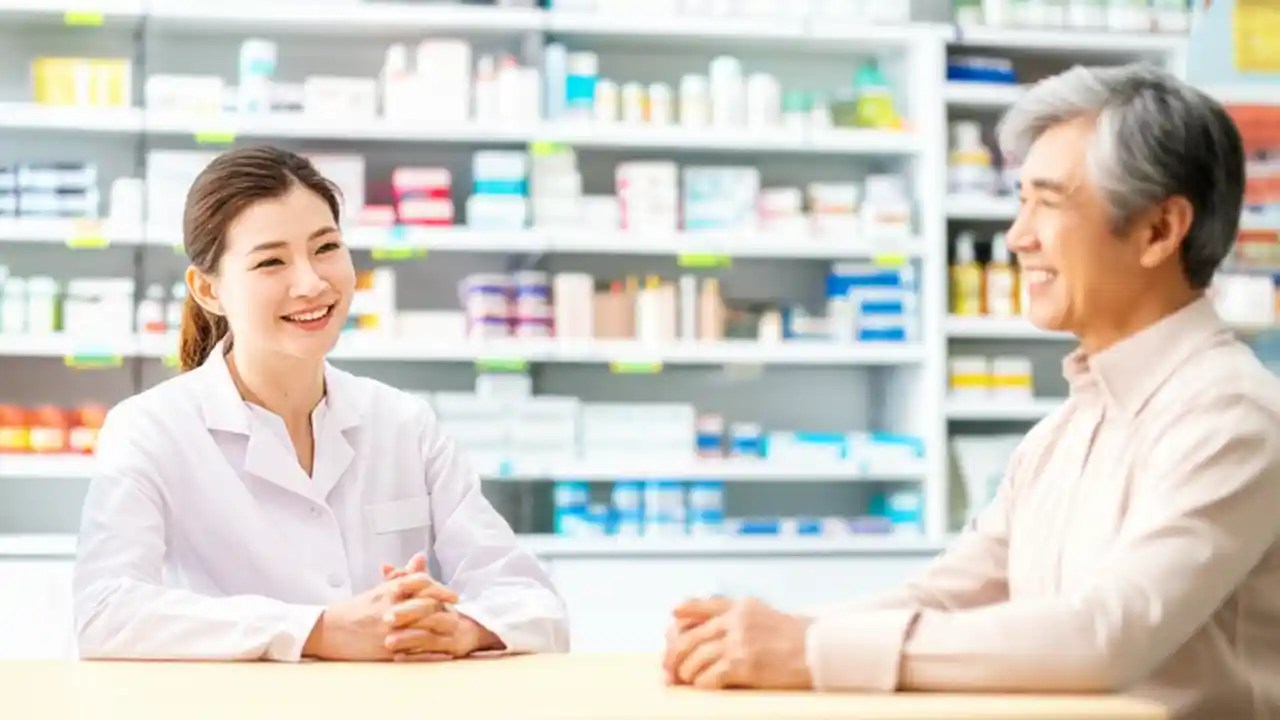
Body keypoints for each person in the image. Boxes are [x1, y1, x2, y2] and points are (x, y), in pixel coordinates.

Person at [662, 63, 1280, 719]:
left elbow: (1106, 635)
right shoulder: (1063, 435)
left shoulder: (1230, 416)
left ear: (1158, 230)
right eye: (1021, 200)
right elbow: (948, 594)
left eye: (1049, 202)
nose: (1018, 236)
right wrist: (755, 635)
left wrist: (813, 649)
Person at [73, 146, 569, 661]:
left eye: (326, 247)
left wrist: (463, 627)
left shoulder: (403, 424)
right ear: (208, 289)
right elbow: (104, 612)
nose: (311, 283)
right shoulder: (151, 429)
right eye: (271, 261)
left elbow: (536, 604)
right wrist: (315, 630)